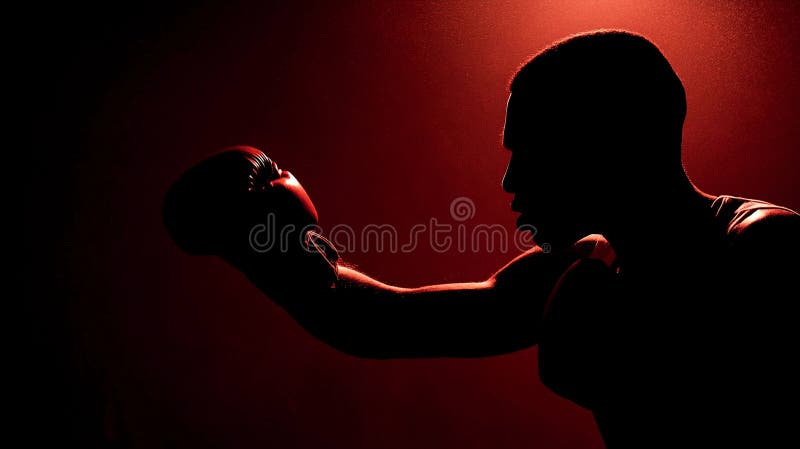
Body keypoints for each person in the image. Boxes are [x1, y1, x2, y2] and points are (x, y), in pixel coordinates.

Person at [163, 30, 799, 447]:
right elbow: (385, 323)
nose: (509, 180)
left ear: (604, 142)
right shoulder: (591, 263)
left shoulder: (765, 250)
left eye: (530, 152)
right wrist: (279, 247)